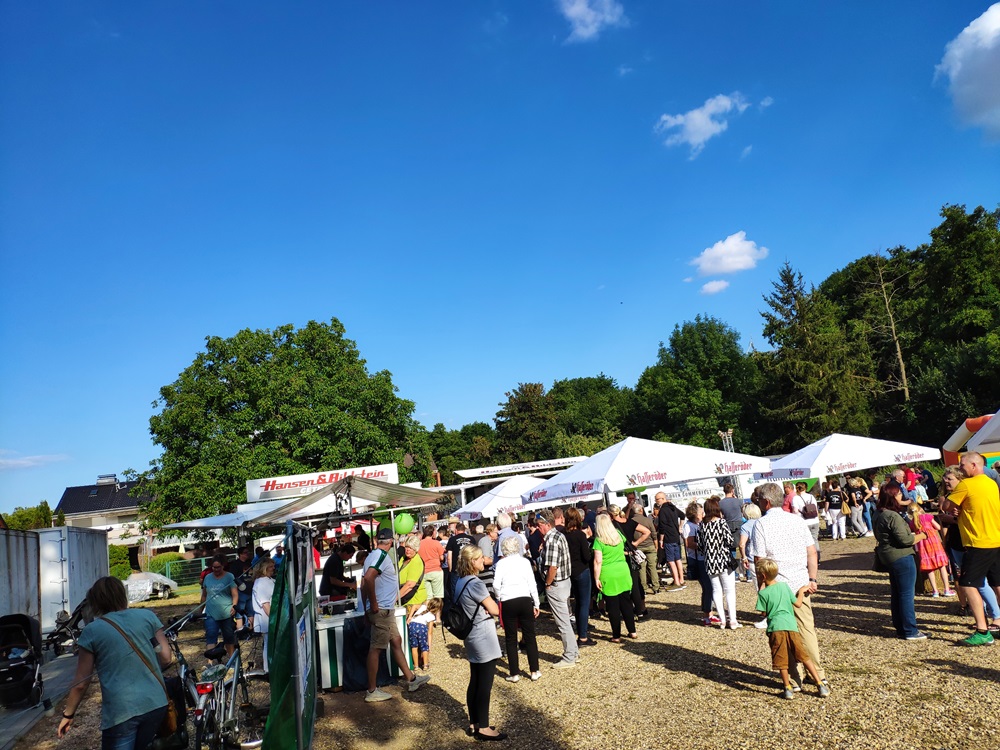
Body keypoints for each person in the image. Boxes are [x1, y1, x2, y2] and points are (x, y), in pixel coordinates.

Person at [58, 577, 171, 748]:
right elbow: (166, 658)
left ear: (96, 601)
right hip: (156, 702)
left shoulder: (91, 631)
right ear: (122, 594)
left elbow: (81, 683)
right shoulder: (148, 616)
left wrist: (68, 714)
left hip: (122, 712)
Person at [752, 483, 827, 689]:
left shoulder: (761, 524)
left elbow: (760, 560)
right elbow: (811, 552)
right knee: (806, 630)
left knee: (782, 633)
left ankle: (794, 679)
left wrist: (762, 588)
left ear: (766, 502)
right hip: (801, 583)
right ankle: (818, 674)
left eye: (759, 500)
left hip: (776, 587)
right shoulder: (797, 520)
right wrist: (812, 579)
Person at [359, 529, 430, 702]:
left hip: (383, 609)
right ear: (391, 542)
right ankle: (372, 690)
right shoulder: (381, 556)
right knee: (376, 648)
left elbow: (363, 583)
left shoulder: (371, 556)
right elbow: (368, 578)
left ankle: (411, 679)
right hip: (382, 609)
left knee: (396, 640)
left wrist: (367, 607)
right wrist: (373, 604)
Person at [944, 451, 1000, 646]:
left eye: (962, 466)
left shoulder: (967, 484)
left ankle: (982, 631)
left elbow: (946, 505)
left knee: (968, 583)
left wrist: (954, 507)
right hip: (995, 539)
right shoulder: (991, 483)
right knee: (997, 582)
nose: (961, 469)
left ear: (974, 466)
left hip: (978, 542)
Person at [754, 558, 830, 700]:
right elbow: (798, 604)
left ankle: (788, 688)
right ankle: (820, 684)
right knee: (803, 655)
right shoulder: (784, 586)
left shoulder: (763, 594)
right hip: (791, 626)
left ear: (762, 576)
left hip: (776, 629)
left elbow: (763, 613)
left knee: (781, 659)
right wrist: (801, 591)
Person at [453, 544, 506, 741]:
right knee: (484, 683)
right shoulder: (476, 583)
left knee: (475, 680)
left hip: (471, 634)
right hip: (483, 634)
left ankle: (474, 722)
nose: (484, 560)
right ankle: (483, 727)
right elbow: (494, 609)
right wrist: (491, 606)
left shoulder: (460, 581)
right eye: (481, 557)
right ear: (473, 561)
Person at [873, 480, 928, 640]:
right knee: (906, 594)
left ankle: (901, 627)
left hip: (888, 555)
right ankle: (910, 630)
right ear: (892, 497)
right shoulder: (892, 516)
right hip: (901, 556)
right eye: (898, 494)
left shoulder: (878, 513)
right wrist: (922, 536)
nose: (901, 496)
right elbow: (905, 540)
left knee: (897, 593)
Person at [493, 535, 541, 681]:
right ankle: (534, 671)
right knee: (530, 635)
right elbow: (532, 584)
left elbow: (496, 585)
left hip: (508, 600)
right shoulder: (525, 562)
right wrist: (536, 603)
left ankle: (514, 673)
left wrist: (500, 597)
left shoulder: (501, 564)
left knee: (510, 638)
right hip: (525, 599)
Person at [537, 509, 577, 668]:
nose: (538, 528)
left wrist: (547, 583)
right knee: (565, 620)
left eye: (539, 525)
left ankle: (569, 657)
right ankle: (573, 652)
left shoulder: (552, 539)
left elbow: (552, 567)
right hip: (564, 582)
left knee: (562, 623)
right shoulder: (559, 535)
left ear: (547, 524)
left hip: (556, 584)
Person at [592, 512, 637, 642]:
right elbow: (623, 548)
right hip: (622, 571)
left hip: (608, 574)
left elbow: (598, 561)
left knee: (613, 607)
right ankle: (632, 631)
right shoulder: (618, 534)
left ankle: (616, 635)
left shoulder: (598, 541)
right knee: (626, 603)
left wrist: (596, 578)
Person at [698, 497, 740, 630]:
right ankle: (733, 620)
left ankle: (722, 620)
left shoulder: (702, 525)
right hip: (724, 560)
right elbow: (730, 540)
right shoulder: (721, 523)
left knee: (716, 590)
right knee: (729, 590)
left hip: (710, 561)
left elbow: (699, 545)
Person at [563, 508, 595, 647]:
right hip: (582, 570)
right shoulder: (580, 535)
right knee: (584, 603)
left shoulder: (563, 535)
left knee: (577, 602)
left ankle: (579, 630)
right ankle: (583, 636)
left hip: (570, 572)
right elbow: (586, 556)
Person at [684, 501, 718, 626]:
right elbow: (689, 543)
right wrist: (706, 545)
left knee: (710, 586)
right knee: (707, 586)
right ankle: (706, 614)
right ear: (695, 514)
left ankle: (709, 613)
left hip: (703, 558)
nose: (703, 514)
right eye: (701, 512)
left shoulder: (699, 524)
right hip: (697, 559)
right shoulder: (689, 526)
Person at [910, 500, 952, 597]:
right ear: (920, 509)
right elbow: (938, 527)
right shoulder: (927, 517)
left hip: (923, 546)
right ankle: (947, 589)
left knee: (929, 568)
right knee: (942, 566)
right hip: (934, 544)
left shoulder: (912, 522)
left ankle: (935, 591)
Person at [201, 553, 239, 658]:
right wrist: (200, 611)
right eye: (214, 567)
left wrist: (234, 606)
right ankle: (210, 663)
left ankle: (231, 660)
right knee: (211, 637)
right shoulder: (207, 578)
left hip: (227, 612)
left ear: (223, 566)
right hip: (211, 613)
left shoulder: (229, 577)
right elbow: (204, 596)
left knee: (229, 637)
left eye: (218, 567)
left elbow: (235, 594)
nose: (216, 569)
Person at [656, 492, 686, 591]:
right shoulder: (672, 507)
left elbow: (662, 527)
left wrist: (661, 540)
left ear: (663, 499)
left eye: (657, 499)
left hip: (668, 538)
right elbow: (682, 515)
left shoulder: (663, 510)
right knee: (678, 559)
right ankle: (681, 580)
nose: (656, 502)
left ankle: (676, 582)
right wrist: (680, 527)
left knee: (671, 560)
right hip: (676, 537)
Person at [251, 557, 276, 671]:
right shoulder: (261, 582)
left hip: (271, 616)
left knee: (271, 643)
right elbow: (265, 604)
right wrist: (274, 619)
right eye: (271, 566)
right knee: (268, 643)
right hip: (267, 618)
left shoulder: (269, 580)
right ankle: (268, 669)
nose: (273, 568)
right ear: (264, 568)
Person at [631, 504, 660, 594]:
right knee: (652, 567)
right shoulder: (648, 520)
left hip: (638, 547)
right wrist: (656, 545)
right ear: (641, 510)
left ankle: (643, 588)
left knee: (641, 568)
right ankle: (656, 587)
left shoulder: (631, 521)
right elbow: (654, 533)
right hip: (650, 545)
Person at [408, 598, 442, 672]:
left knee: (414, 647)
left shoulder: (423, 607)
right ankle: (425, 665)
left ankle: (416, 666)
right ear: (437, 609)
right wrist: (429, 645)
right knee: (424, 647)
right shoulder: (431, 616)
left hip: (412, 625)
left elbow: (414, 606)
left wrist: (410, 617)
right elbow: (430, 632)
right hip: (421, 627)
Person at [398, 533, 428, 610]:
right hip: (403, 598)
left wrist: (395, 598)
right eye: (407, 547)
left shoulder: (416, 562)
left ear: (416, 549)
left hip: (413, 600)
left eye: (411, 548)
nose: (407, 550)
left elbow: (409, 585)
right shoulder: (403, 558)